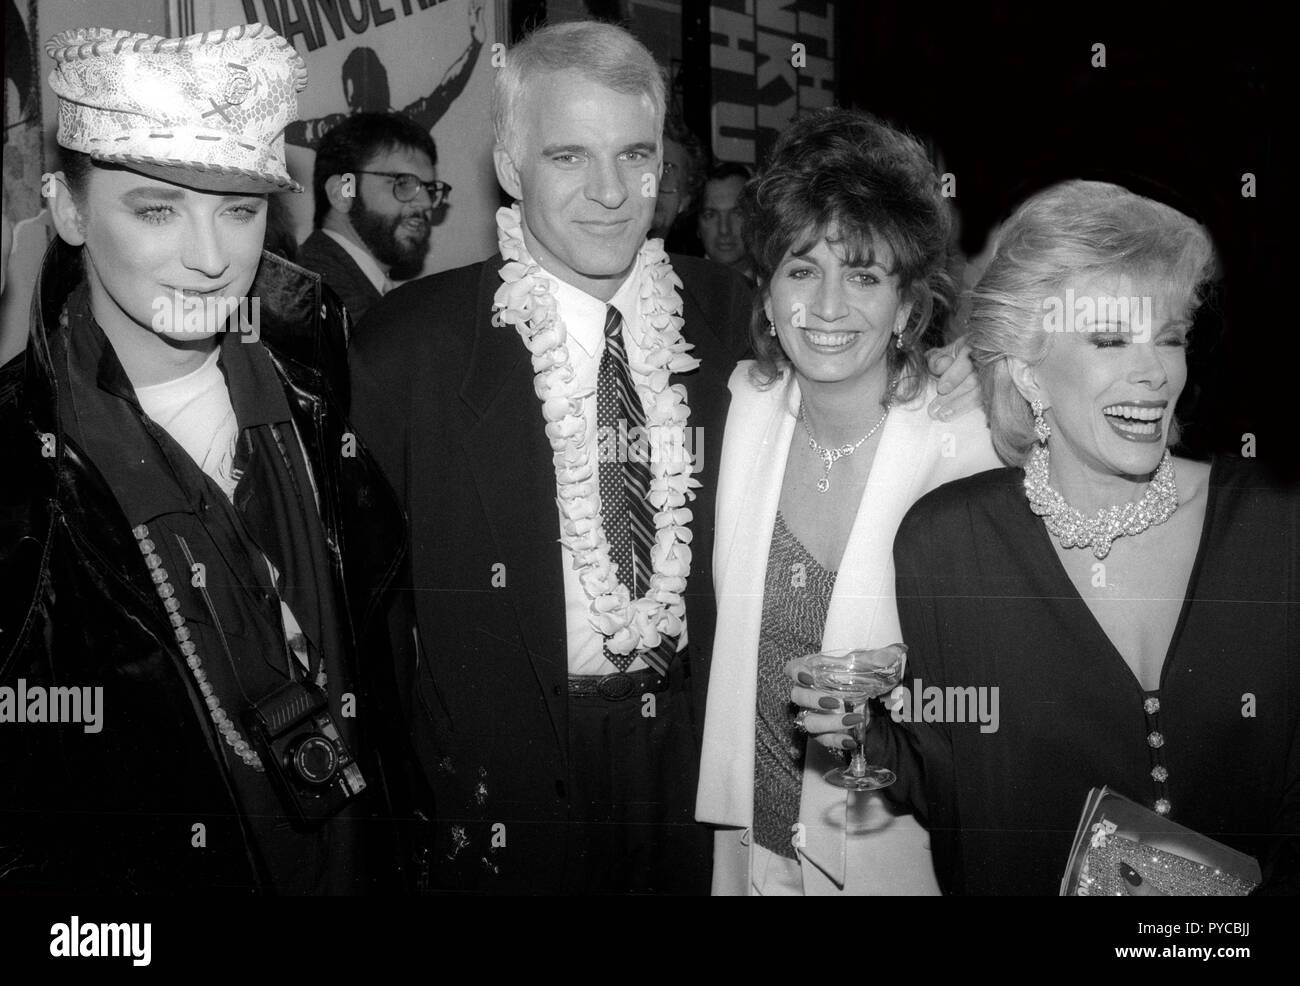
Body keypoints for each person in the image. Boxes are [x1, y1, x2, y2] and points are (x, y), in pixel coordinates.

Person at [0, 22, 417, 894]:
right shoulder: (16, 459)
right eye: (156, 209)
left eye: (238, 207)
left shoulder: (323, 391)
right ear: (68, 209)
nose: (211, 257)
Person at [830, 180, 1296, 894]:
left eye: (1168, 339)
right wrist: (855, 726)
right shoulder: (949, 544)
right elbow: (957, 784)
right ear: (1026, 371)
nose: (1155, 371)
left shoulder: (1274, 525)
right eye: (1110, 339)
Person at [696, 108, 1001, 895]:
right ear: (766, 296)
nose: (828, 306)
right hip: (754, 851)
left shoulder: (973, 442)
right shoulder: (739, 411)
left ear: (907, 306)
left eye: (863, 275)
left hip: (894, 858)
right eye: (802, 270)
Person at [298, 112, 445, 322]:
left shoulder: (360, 290)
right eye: (403, 183)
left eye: (429, 189)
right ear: (342, 193)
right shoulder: (315, 291)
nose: (426, 203)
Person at [698, 162, 755, 281]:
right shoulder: (674, 288)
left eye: (737, 213)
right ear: (697, 226)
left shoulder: (778, 288)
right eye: (711, 215)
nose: (724, 229)